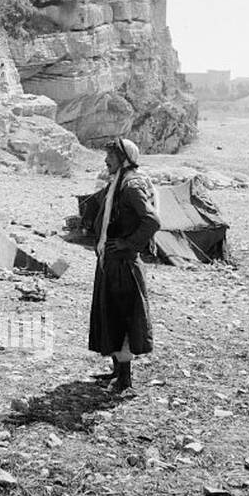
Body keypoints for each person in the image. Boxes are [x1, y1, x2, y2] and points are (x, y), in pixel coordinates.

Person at [88, 137, 161, 392]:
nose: (106, 161)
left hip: (123, 264)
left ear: (124, 159)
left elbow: (151, 221)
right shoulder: (120, 182)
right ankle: (116, 371)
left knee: (122, 315)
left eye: (111, 156)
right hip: (111, 261)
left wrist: (128, 244)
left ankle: (125, 378)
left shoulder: (130, 185)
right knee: (111, 313)